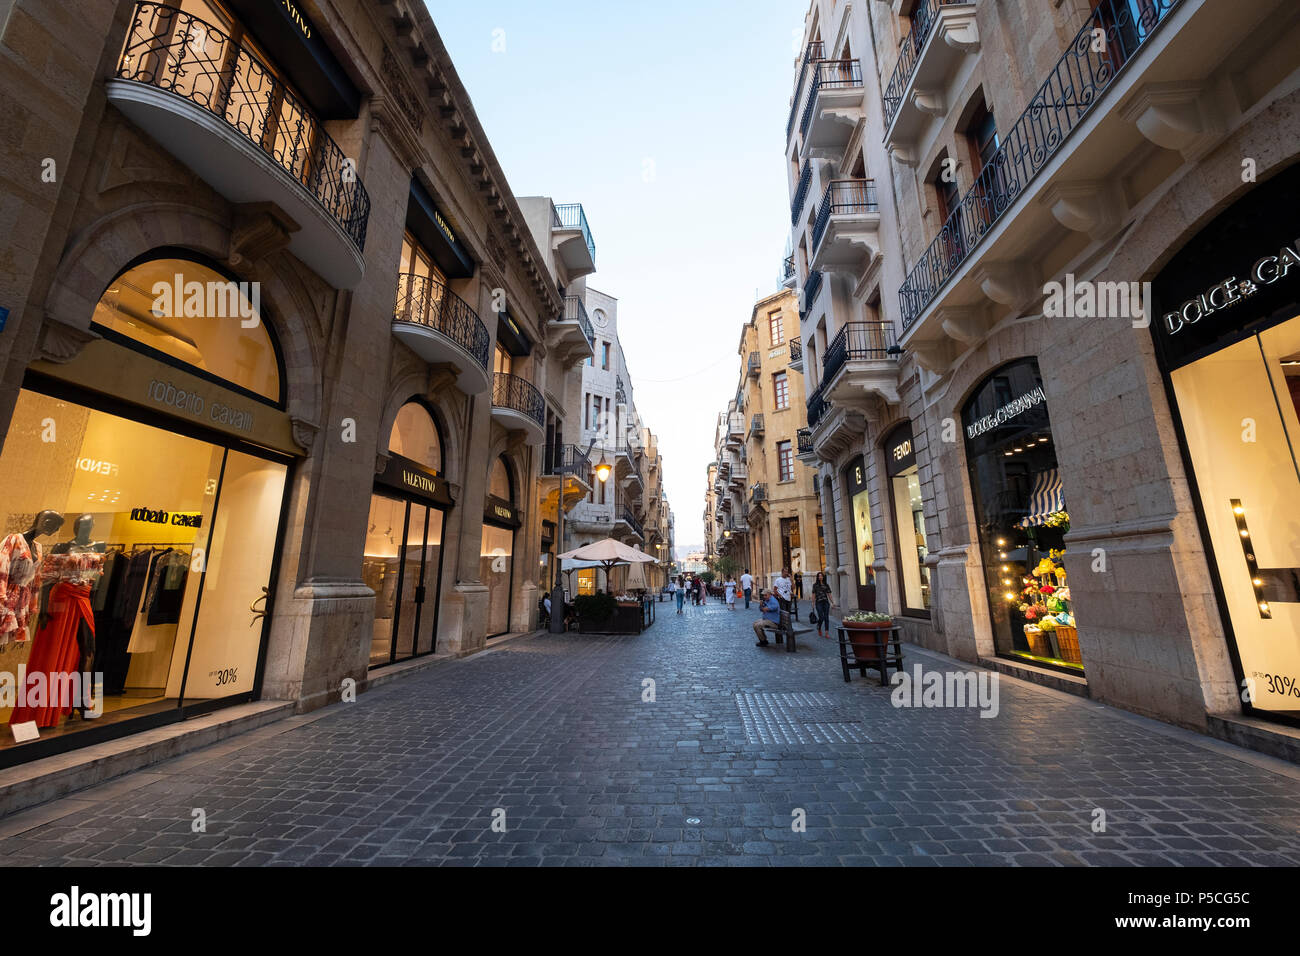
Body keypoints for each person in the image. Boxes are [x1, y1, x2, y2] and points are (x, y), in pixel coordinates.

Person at [773, 567, 794, 643]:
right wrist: (780, 595)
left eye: (787, 571)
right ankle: (783, 626)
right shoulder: (778, 580)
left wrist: (792, 579)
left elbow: (793, 588)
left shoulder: (789, 580)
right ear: (782, 572)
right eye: (785, 572)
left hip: (789, 598)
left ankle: (787, 626)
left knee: (788, 612)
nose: (786, 573)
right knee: (783, 612)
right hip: (782, 598)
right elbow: (774, 589)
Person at [812, 571, 833, 638]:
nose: (820, 577)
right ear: (817, 577)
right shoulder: (815, 585)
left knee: (826, 617)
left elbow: (829, 594)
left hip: (826, 602)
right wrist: (813, 603)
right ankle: (819, 626)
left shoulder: (826, 585)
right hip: (818, 603)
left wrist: (832, 602)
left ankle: (826, 633)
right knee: (821, 617)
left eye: (821, 576)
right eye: (819, 576)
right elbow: (813, 594)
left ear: (823, 577)